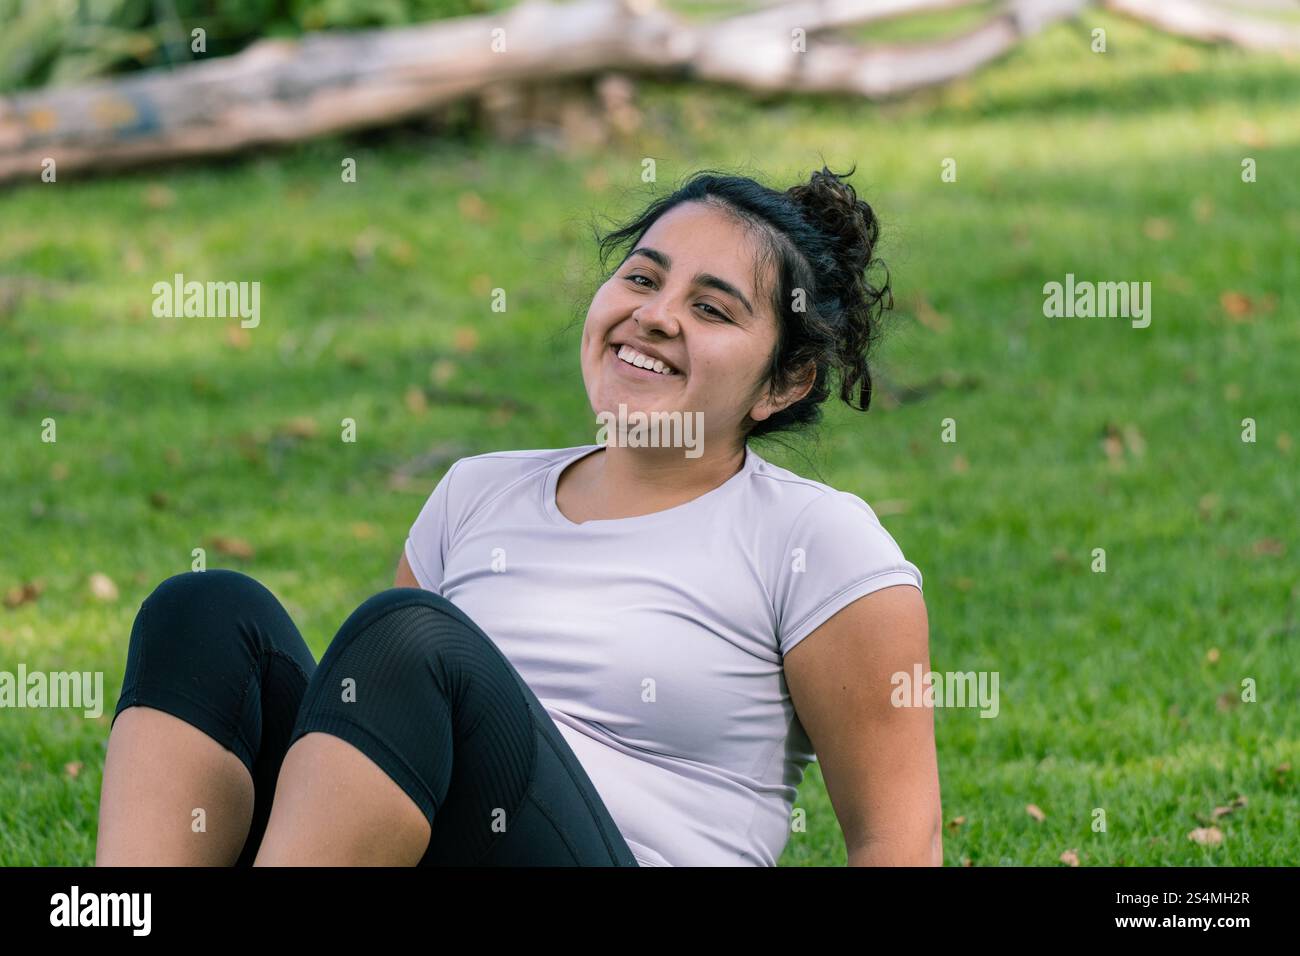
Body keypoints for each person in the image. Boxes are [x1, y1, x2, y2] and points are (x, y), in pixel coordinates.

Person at [96, 163, 941, 867]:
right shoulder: (475, 493)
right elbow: (369, 744)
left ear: (784, 383)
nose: (655, 314)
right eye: (642, 278)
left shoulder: (817, 542)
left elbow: (899, 839)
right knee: (205, 613)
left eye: (712, 308)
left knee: (410, 640)